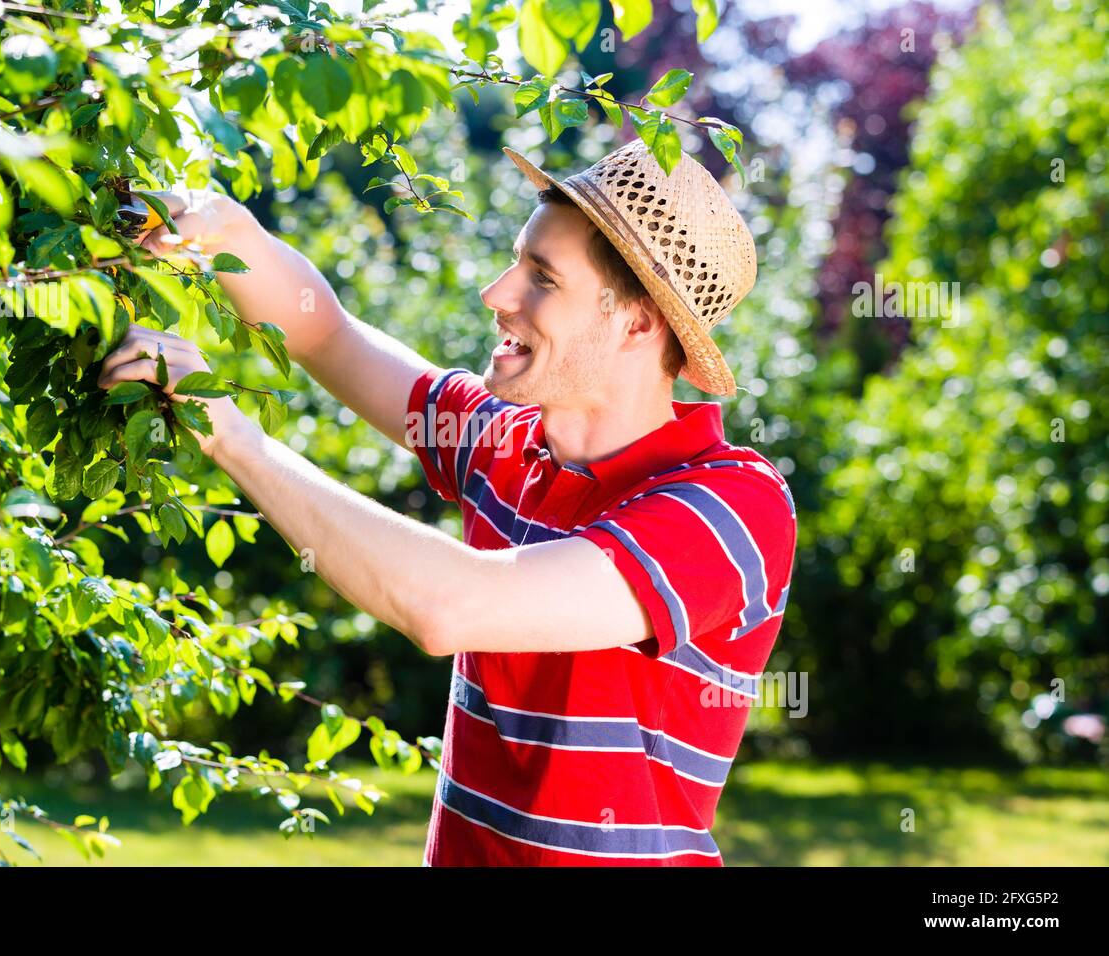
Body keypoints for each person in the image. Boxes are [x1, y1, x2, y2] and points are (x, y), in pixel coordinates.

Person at [98, 138, 797, 866]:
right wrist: (224, 231)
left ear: (638, 323)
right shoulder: (504, 440)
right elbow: (324, 332)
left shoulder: (729, 506)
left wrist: (232, 437)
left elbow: (451, 607)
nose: (497, 293)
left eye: (542, 278)